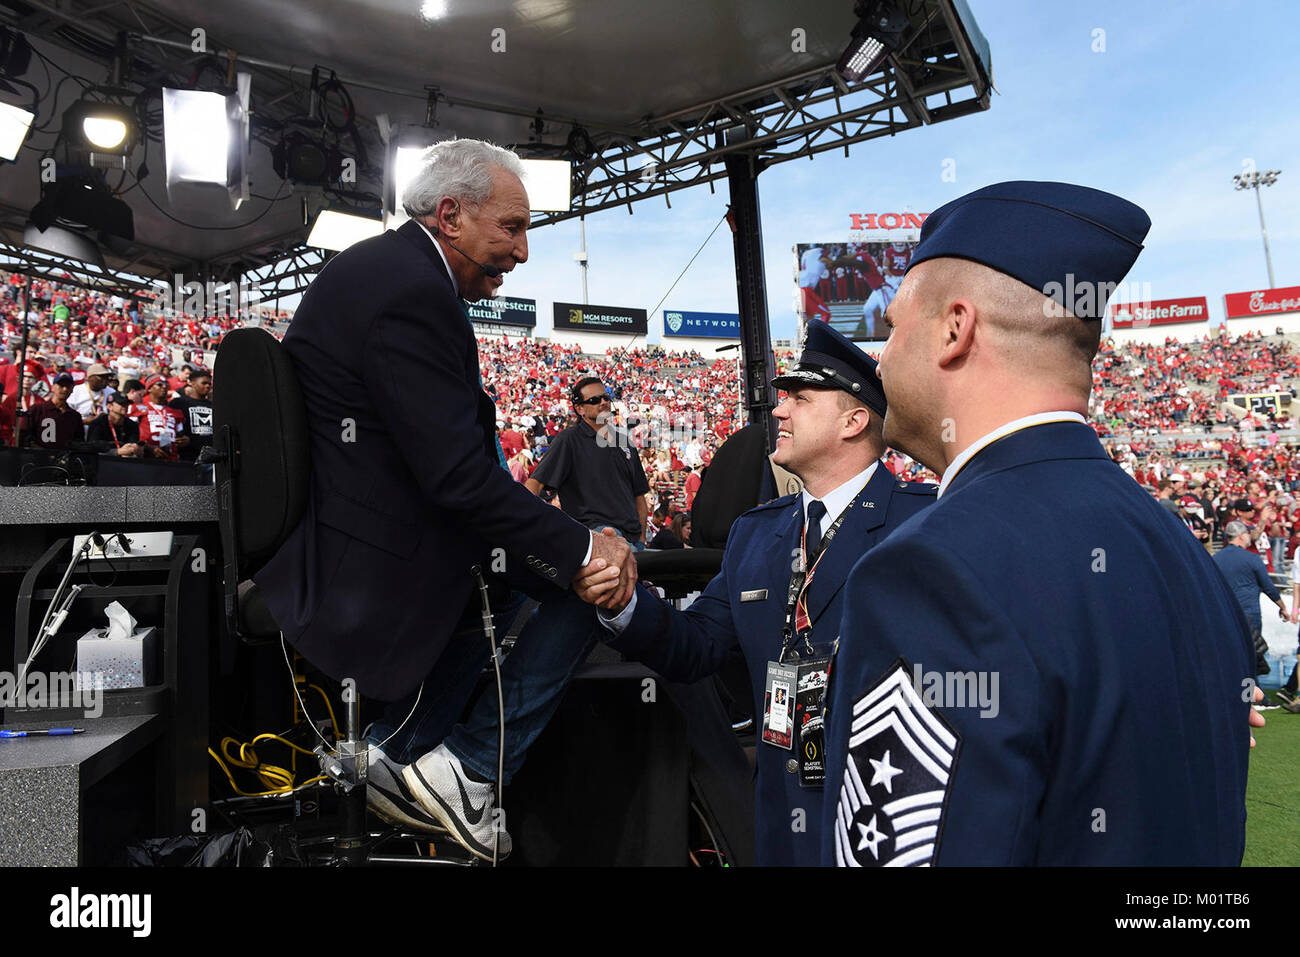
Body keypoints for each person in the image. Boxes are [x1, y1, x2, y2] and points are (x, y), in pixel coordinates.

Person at [823, 181, 1253, 867]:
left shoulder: (933, 568)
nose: (880, 355)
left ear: (955, 328)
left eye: (894, 325)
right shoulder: (1179, 545)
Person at [253, 138, 633, 862]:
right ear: (451, 215)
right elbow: (458, 479)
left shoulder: (391, 273)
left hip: (377, 542)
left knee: (561, 567)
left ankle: (386, 755)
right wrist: (584, 547)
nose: (522, 252)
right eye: (512, 228)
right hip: (370, 567)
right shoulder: (408, 290)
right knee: (599, 577)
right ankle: (467, 769)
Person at [576, 320, 936, 865]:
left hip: (885, 819)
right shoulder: (757, 531)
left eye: (800, 398)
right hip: (778, 814)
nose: (778, 410)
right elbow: (696, 646)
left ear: (854, 420)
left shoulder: (924, 523)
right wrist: (624, 601)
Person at [526, 376, 651, 549]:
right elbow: (535, 483)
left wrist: (642, 539)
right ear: (580, 409)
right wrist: (527, 526)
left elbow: (640, 495)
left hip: (633, 540)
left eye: (606, 397)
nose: (603, 402)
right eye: (594, 400)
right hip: (596, 534)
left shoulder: (624, 441)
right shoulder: (569, 439)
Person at [1214, 520, 1287, 678]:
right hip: (1249, 614)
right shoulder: (1252, 558)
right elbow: (1269, 588)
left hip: (1225, 613)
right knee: (1251, 657)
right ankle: (1250, 696)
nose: (1249, 536)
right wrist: (1283, 607)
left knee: (1231, 655)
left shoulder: (1216, 558)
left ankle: (1238, 692)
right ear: (1240, 536)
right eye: (1247, 533)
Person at [25, 372, 84, 449]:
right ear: (53, 387)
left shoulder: (75, 416)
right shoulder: (37, 409)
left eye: (68, 386)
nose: (65, 389)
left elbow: (79, 441)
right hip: (39, 457)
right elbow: (26, 437)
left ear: (72, 389)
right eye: (61, 385)